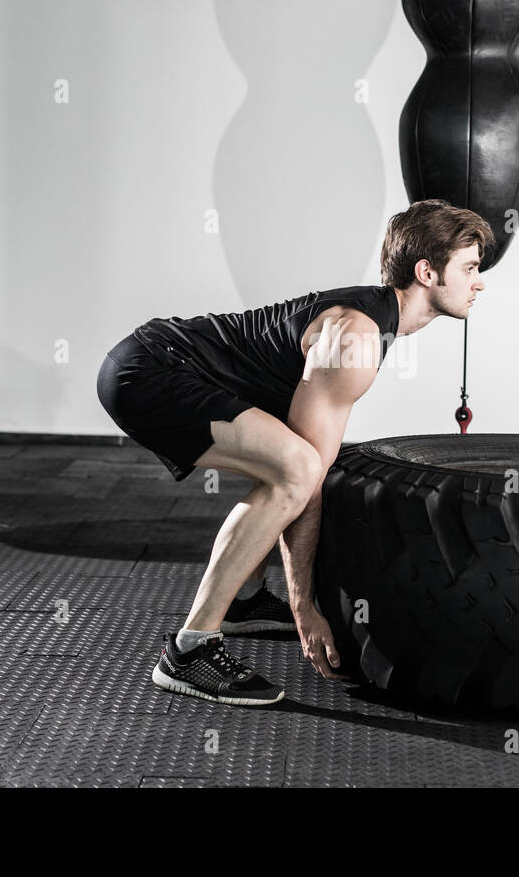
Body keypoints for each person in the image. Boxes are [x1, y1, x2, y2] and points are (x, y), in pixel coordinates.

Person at [96, 199, 493, 705]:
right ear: (426, 272)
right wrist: (305, 606)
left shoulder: (372, 320)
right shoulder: (358, 338)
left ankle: (243, 599)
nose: (479, 282)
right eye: (470, 268)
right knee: (299, 467)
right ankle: (190, 649)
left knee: (288, 458)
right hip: (149, 373)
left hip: (154, 362)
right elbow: (307, 473)